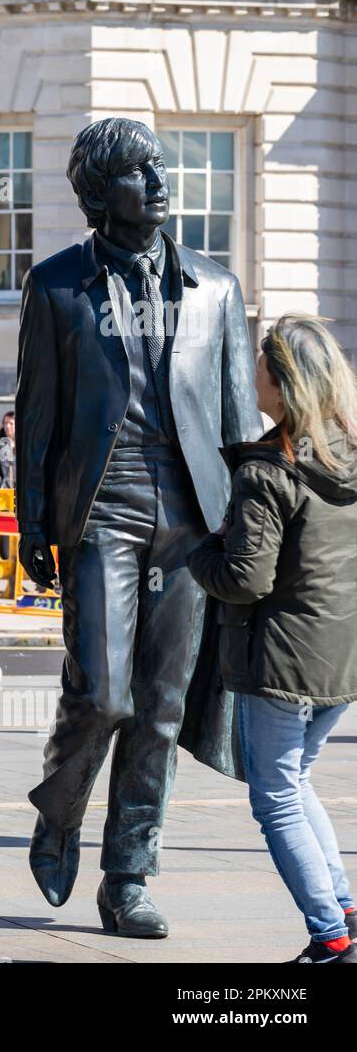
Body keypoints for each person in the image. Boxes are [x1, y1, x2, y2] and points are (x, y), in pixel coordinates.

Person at [15, 117, 260, 937]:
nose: (161, 180)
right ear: (96, 192)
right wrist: (32, 526)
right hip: (103, 501)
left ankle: (129, 874)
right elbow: (39, 415)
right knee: (103, 693)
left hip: (192, 512)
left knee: (159, 705)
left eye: (161, 166)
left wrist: (256, 523)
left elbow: (240, 421)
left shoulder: (217, 290)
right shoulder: (56, 286)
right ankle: (59, 807)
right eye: (137, 169)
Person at [188, 314, 357, 964]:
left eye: (260, 365)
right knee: (297, 777)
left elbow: (243, 577)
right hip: (341, 657)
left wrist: (194, 549)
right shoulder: (347, 456)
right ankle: (341, 906)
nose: (250, 375)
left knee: (275, 795)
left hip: (282, 658)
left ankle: (331, 935)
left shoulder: (269, 468)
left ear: (282, 384)